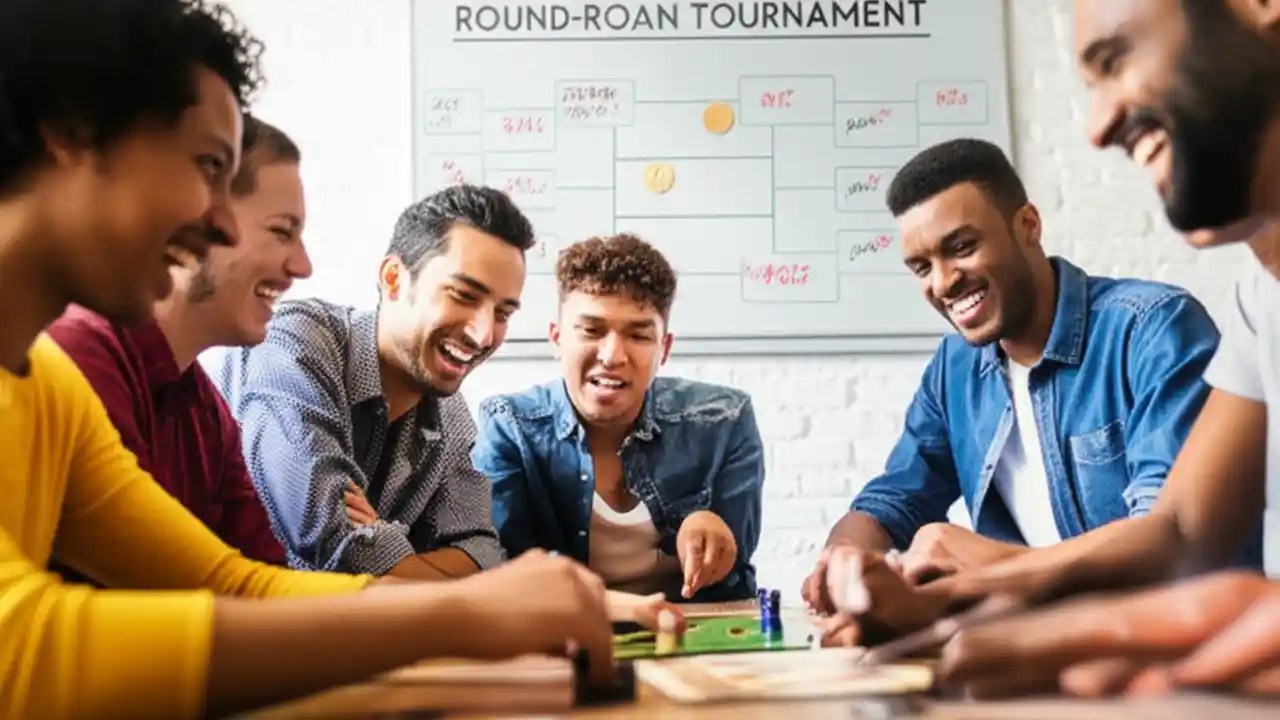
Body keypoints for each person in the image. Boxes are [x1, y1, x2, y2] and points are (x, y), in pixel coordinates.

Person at [0, 1, 614, 717]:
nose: (222, 221)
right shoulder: (90, 362)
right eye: (205, 167)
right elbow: (22, 650)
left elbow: (236, 581)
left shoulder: (48, 388)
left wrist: (500, 604)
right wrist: (467, 614)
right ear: (74, 131)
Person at [918, 0, 1280, 699]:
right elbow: (1179, 529)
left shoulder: (1152, 323)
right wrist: (967, 595)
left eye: (1116, 61)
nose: (1097, 125)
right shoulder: (1259, 296)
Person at [799, 138, 1223, 644]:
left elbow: (1165, 540)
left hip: (1168, 644)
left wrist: (979, 566)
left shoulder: (1153, 330)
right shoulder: (955, 368)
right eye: (921, 267)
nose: (943, 282)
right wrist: (844, 562)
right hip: (1037, 643)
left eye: (961, 248)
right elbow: (894, 501)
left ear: (1028, 226)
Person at [207, 184, 525, 580]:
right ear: (393, 279)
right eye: (462, 295)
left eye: (503, 313)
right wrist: (408, 559)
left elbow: (483, 552)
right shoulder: (294, 345)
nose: (482, 335)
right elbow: (332, 547)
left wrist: (386, 549)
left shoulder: (451, 411)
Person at [46, 116, 308, 565]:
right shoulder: (80, 355)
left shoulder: (205, 409)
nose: (303, 266)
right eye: (283, 231)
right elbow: (155, 581)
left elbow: (258, 578)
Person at [472, 234, 765, 602]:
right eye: (592, 331)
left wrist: (713, 533)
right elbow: (509, 572)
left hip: (695, 634)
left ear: (665, 349)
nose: (612, 355)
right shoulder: (509, 429)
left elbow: (733, 566)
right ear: (557, 338)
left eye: (639, 335)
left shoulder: (725, 421)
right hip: (565, 635)